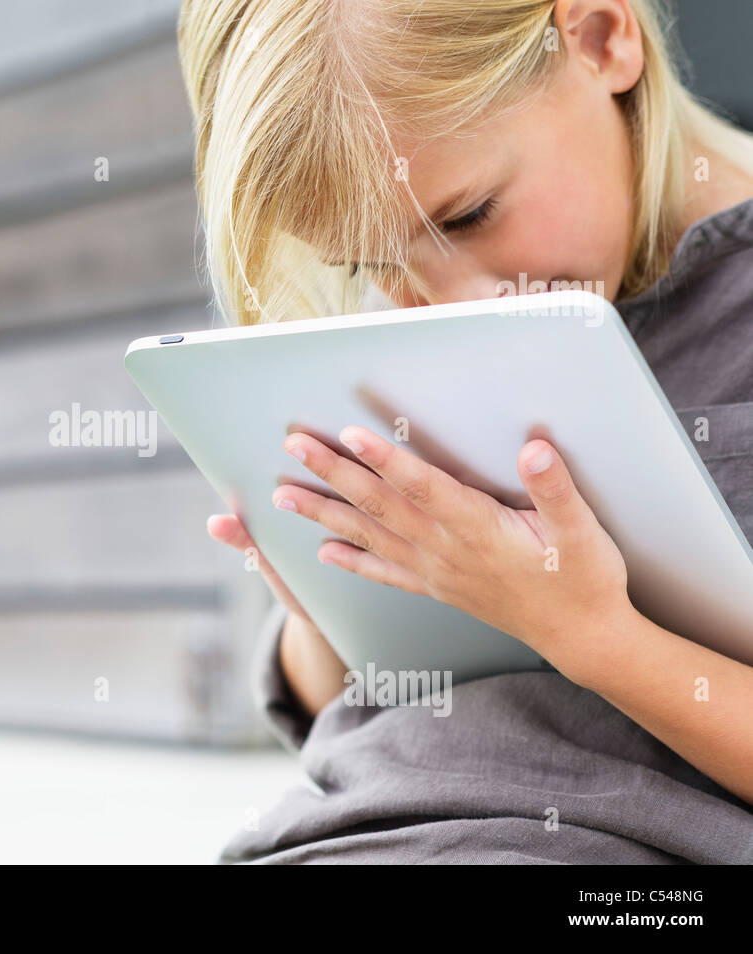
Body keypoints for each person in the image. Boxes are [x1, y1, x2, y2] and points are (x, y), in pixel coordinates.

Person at [177, 0, 753, 862]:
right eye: (370, 264)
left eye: (467, 216)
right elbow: (336, 713)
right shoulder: (388, 351)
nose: (438, 300)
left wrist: (592, 634)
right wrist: (326, 602)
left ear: (601, 36)